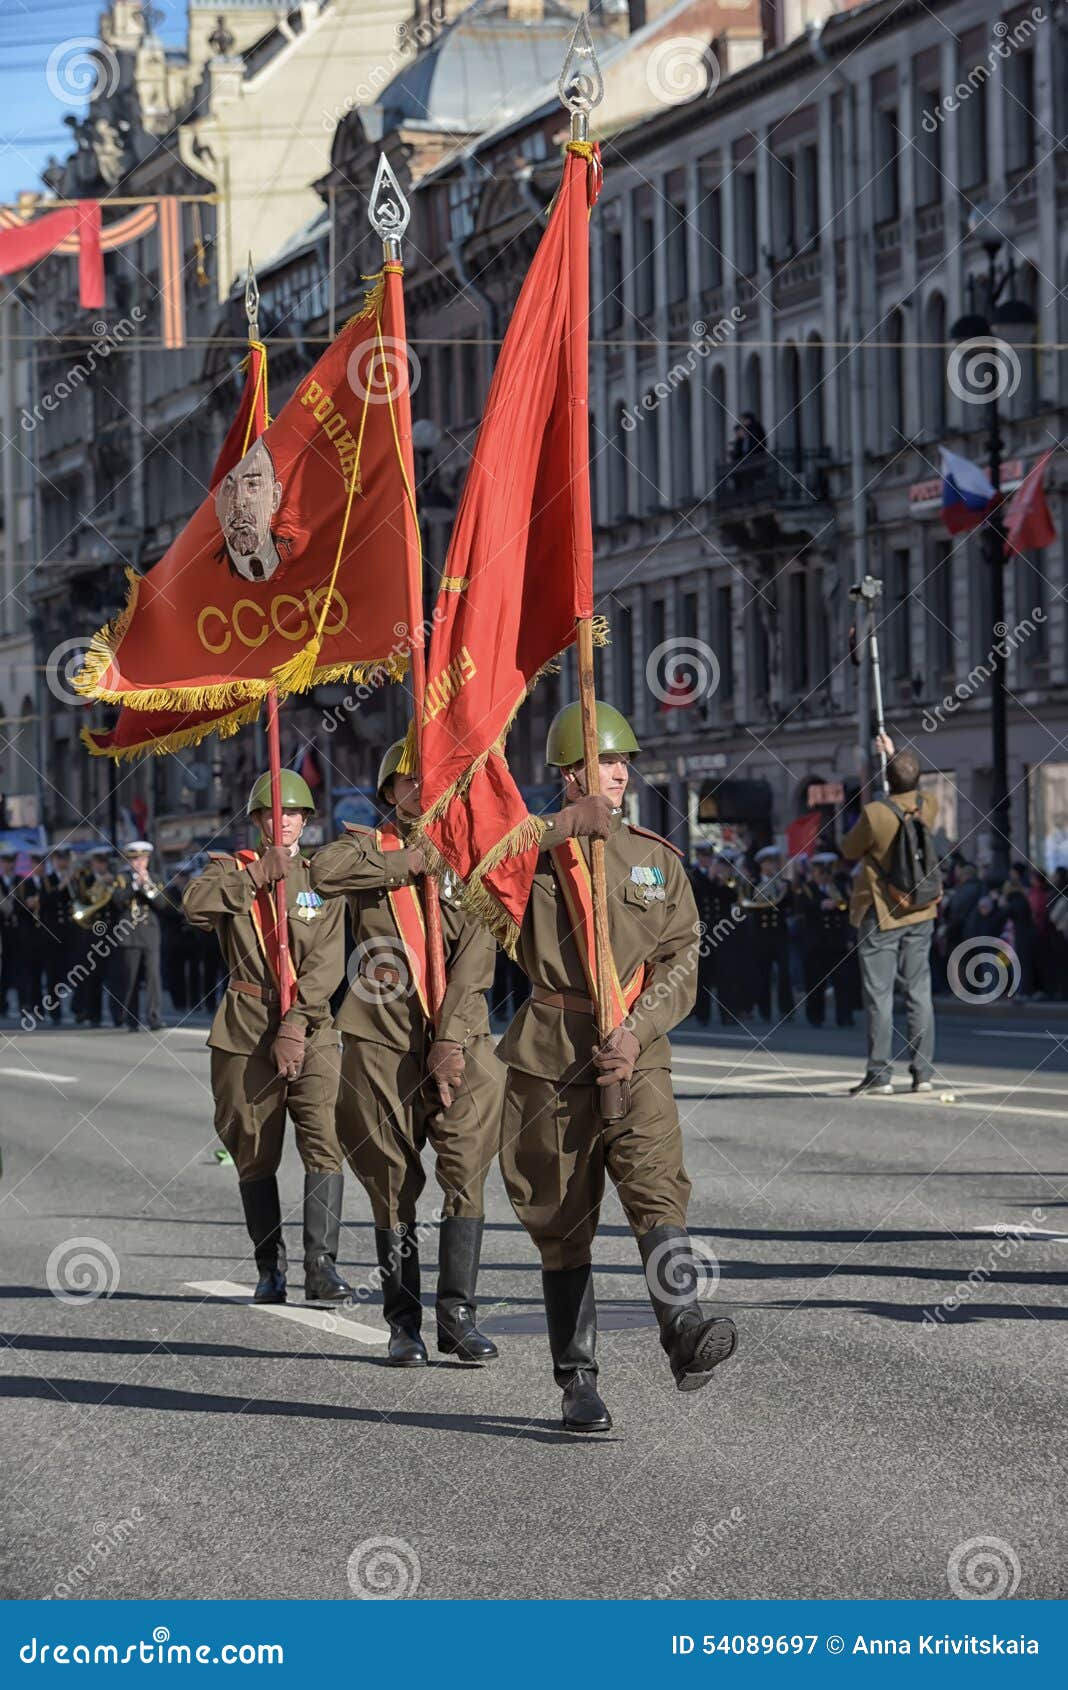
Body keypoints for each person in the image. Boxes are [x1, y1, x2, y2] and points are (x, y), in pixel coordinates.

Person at [497, 701, 738, 1433]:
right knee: (562, 1218)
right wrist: (554, 832)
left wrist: (637, 1032)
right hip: (552, 1052)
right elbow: (473, 871)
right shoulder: (527, 852)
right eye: (605, 760)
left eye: (624, 760)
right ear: (570, 774)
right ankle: (578, 1382)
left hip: (636, 1053)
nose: (620, 771)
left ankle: (684, 1329)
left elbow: (681, 957)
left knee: (657, 1190)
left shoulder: (656, 859)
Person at [310, 739, 505, 1366]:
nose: (425, 789)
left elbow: (479, 957)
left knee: (466, 1169)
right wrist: (408, 863)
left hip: (462, 1035)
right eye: (410, 780)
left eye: (438, 779)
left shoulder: (474, 853)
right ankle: (404, 1324)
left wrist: (451, 1040)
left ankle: (458, 1317)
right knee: (391, 1181)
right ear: (390, 791)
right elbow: (322, 871)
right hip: (380, 1037)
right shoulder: (372, 849)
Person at [182, 770, 352, 1306]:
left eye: (295, 814)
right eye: (274, 814)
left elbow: (327, 964)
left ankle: (322, 1268)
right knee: (254, 1152)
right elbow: (194, 907)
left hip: (313, 1026)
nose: (285, 822)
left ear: (306, 820)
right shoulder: (232, 870)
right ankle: (269, 1270)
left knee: (325, 1143)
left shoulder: (321, 876)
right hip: (246, 1024)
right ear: (258, 821)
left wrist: (296, 1026)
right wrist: (257, 878)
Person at [840, 733, 940, 1095]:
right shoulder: (927, 804)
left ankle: (880, 1074)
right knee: (919, 991)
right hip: (922, 910)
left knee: (879, 995)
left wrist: (879, 778)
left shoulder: (875, 812)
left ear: (887, 780)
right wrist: (894, 756)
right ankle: (923, 1073)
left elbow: (849, 849)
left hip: (882, 912)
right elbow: (912, 784)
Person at [108, 842, 165, 1031]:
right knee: (130, 978)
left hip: (150, 935)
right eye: (134, 859)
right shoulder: (122, 878)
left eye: (142, 859)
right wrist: (134, 885)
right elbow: (117, 901)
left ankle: (154, 1017)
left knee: (153, 979)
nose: (139, 863)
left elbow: (163, 904)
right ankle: (131, 1018)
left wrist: (147, 885)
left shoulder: (155, 878)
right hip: (129, 935)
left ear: (147, 860)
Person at [796, 852, 853, 1027]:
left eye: (828, 872)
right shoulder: (807, 888)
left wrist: (849, 937)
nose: (825, 876)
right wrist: (821, 905)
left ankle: (844, 1016)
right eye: (821, 872)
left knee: (842, 981)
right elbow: (801, 907)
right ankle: (815, 1016)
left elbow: (847, 910)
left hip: (837, 941)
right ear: (814, 872)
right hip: (816, 942)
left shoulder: (839, 887)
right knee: (815, 982)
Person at [739, 845, 794, 1022]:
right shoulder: (753, 884)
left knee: (785, 972)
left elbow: (791, 907)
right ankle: (764, 1010)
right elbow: (746, 906)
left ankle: (787, 1009)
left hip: (779, 933)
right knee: (763, 972)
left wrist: (785, 892)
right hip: (760, 934)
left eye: (773, 863)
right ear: (761, 865)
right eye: (767, 863)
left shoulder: (784, 884)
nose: (771, 867)